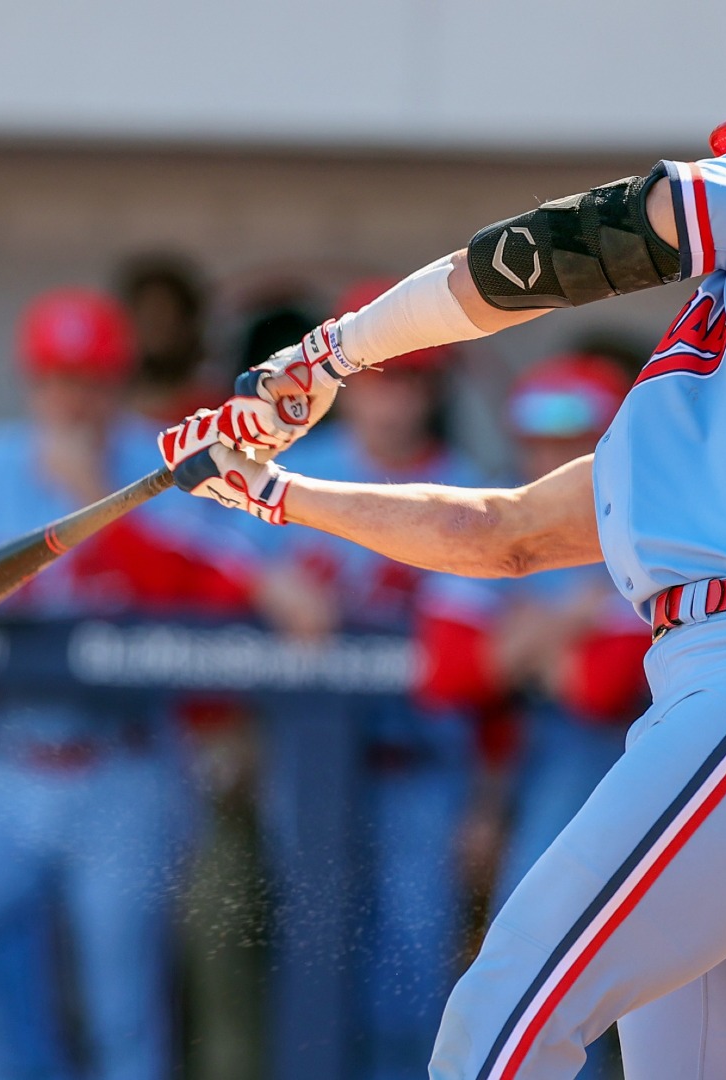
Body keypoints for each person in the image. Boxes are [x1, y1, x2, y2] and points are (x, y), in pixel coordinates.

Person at [159, 32, 726, 1077]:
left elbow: (580, 240)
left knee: (499, 1026)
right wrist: (274, 492)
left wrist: (339, 348)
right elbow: (501, 535)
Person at [0, 289, 258, 1080]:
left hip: (128, 763)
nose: (70, 397)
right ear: (31, 382)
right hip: (10, 757)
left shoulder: (167, 461)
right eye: (56, 377)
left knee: (122, 1011)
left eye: (88, 378)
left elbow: (235, 579)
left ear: (118, 382)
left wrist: (96, 491)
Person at [254, 277, 487, 1080]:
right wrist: (263, 584)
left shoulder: (473, 487)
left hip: (417, 770)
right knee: (312, 965)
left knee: (410, 978)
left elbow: (464, 655)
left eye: (412, 381)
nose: (391, 402)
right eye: (378, 380)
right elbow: (196, 554)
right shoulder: (292, 473)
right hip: (306, 766)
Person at [413, 355, 650, 1080]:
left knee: (563, 965)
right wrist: (566, 625)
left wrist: (518, 638)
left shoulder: (648, 526)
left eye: (573, 440)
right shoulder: (488, 516)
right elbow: (448, 673)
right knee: (424, 948)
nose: (550, 459)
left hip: (618, 767)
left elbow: (598, 688)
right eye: (538, 441)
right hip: (483, 764)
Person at [116, 254, 223, 423]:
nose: (154, 330)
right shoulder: (104, 407)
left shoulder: (213, 408)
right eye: (146, 318)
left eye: (163, 317)